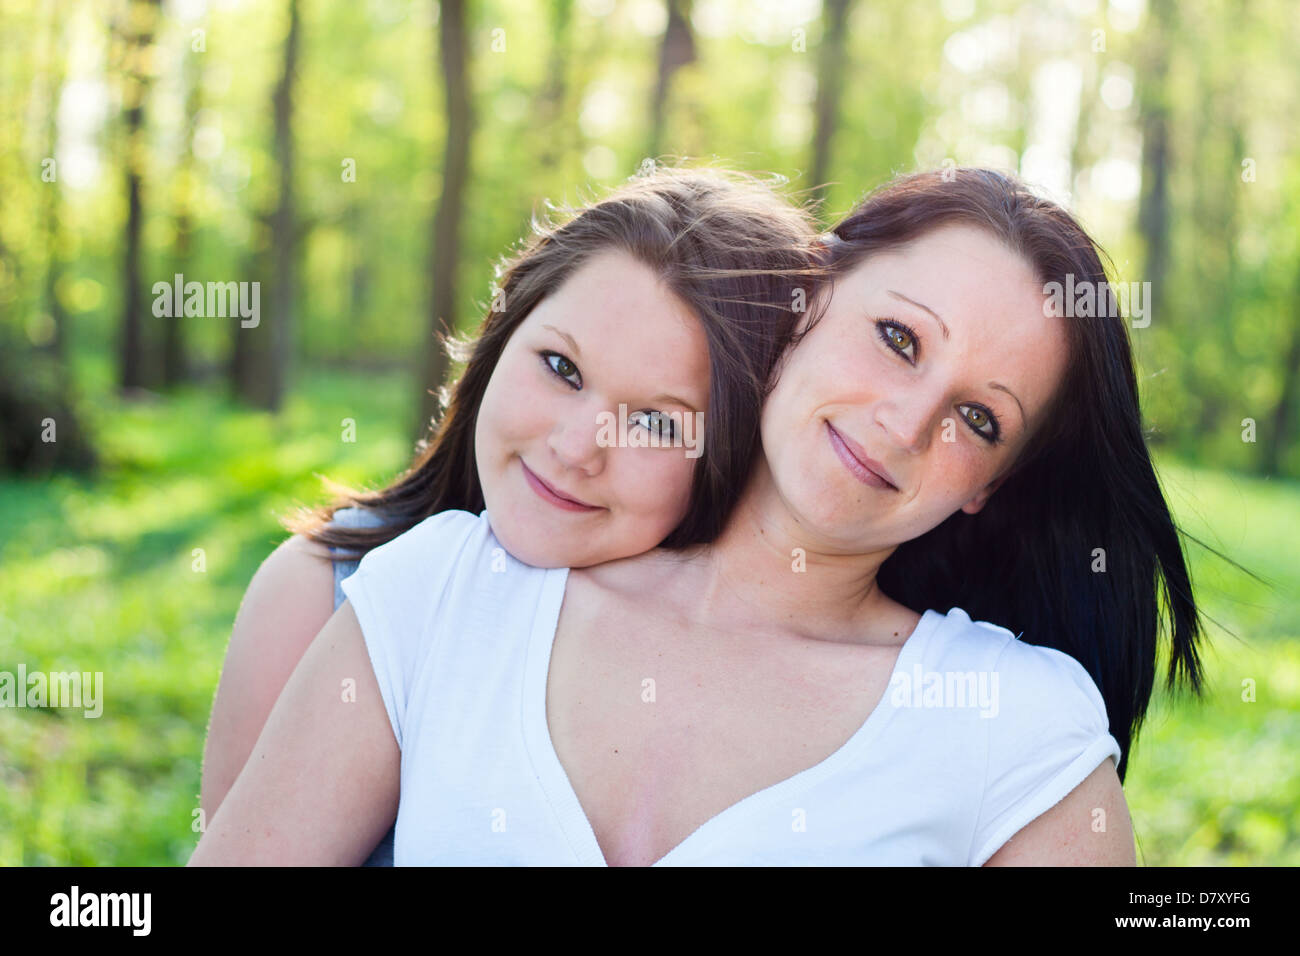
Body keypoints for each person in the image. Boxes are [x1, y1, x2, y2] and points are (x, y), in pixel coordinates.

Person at [191, 167, 1205, 866]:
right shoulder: (447, 585)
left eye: (978, 418)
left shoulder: (1019, 726)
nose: (905, 420)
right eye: (897, 337)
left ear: (988, 482)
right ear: (809, 302)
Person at [197, 165, 821, 864]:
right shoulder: (321, 588)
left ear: (733, 460)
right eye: (561, 367)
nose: (575, 447)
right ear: (500, 340)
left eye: (654, 423)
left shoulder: (753, 673)